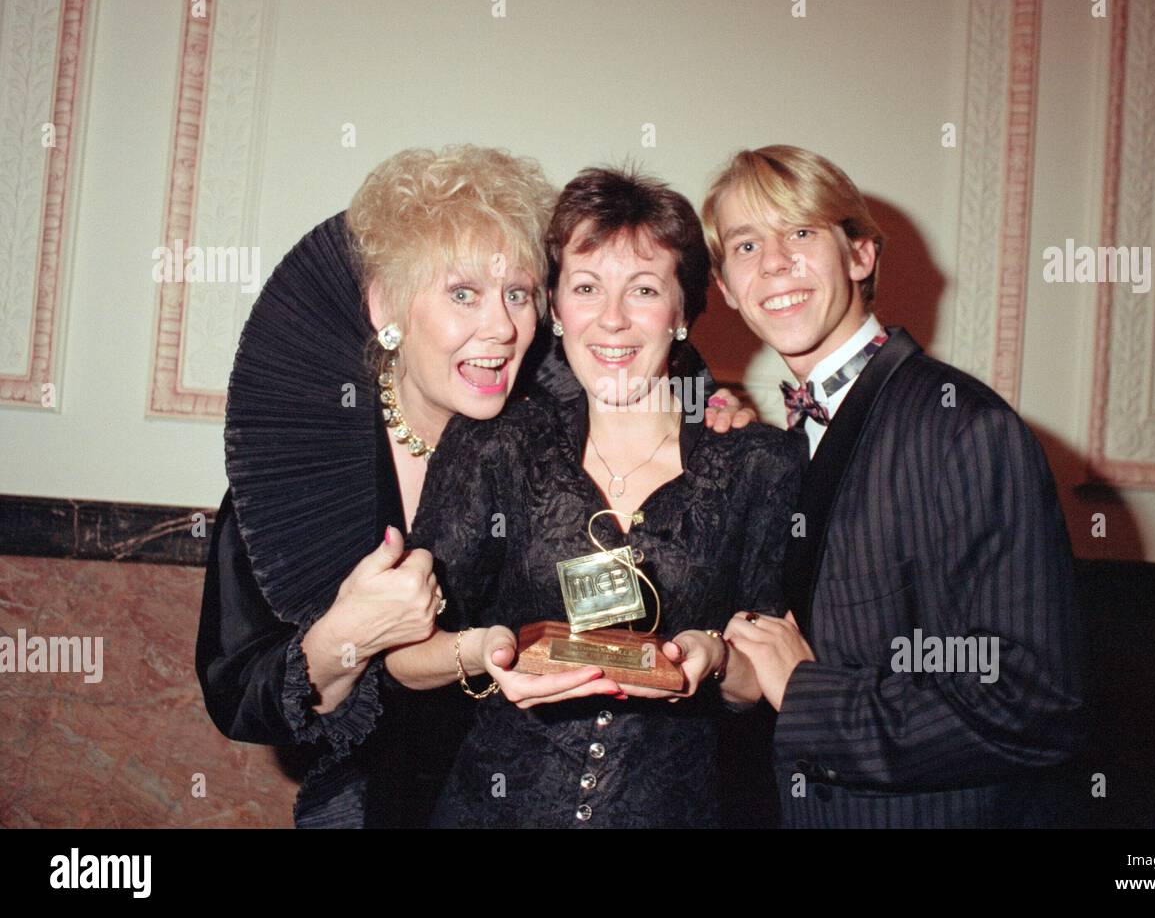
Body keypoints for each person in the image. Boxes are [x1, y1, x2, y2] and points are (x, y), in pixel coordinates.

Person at [195, 147, 750, 828]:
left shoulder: (549, 417)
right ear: (385, 304)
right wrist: (350, 634)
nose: (502, 328)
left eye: (518, 292)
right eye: (463, 294)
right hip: (384, 799)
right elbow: (238, 692)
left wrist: (711, 408)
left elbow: (649, 341)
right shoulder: (302, 467)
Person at [390, 166, 806, 828]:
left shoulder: (760, 464)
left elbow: (762, 675)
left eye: (643, 289)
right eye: (586, 287)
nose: (611, 319)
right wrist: (489, 648)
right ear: (557, 308)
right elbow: (406, 657)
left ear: (683, 312)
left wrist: (712, 658)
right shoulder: (494, 445)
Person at [704, 145, 1085, 827]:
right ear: (727, 288)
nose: (774, 263)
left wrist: (804, 692)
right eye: (746, 244)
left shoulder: (966, 429)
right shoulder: (776, 444)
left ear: (859, 255)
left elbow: (1034, 704)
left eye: (800, 232)